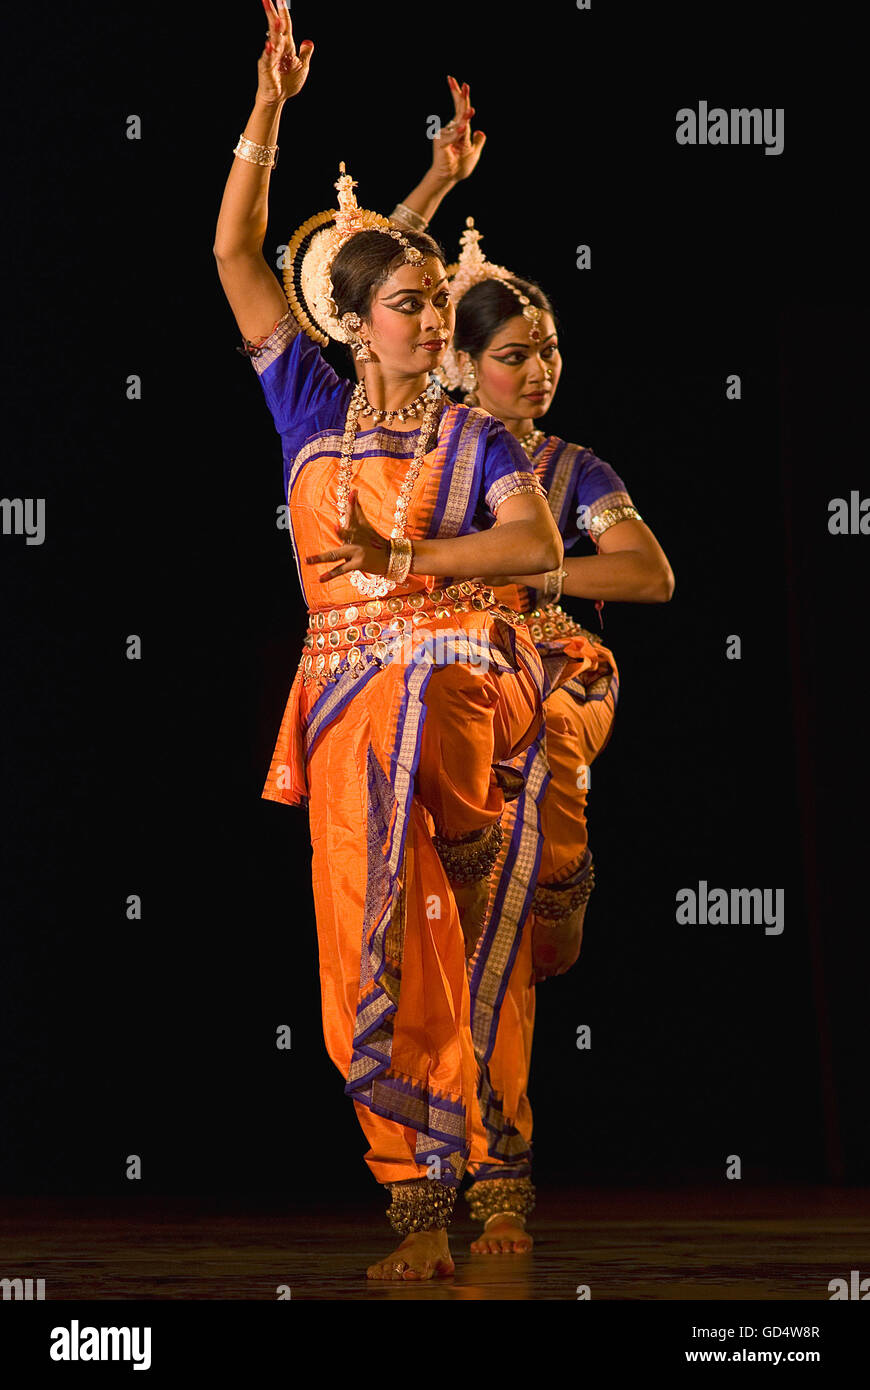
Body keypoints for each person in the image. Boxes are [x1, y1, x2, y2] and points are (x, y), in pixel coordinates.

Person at [213, 0, 608, 1279]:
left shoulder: (476, 435)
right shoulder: (305, 404)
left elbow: (539, 550)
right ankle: (426, 1203)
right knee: (381, 942)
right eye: (415, 304)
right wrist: (271, 109)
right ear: (358, 322)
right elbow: (234, 257)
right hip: (338, 707)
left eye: (443, 304)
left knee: (466, 927)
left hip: (449, 692)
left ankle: (498, 1172)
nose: (437, 321)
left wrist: (406, 563)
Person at [379, 212, 674, 1252]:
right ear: (458, 363)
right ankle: (422, 1189)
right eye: (514, 355)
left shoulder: (572, 468)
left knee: (503, 930)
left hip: (545, 683)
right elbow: (354, 302)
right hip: (440, 697)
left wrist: (522, 573)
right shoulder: (423, 456)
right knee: (428, 948)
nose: (540, 370)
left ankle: (499, 1177)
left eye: (549, 350)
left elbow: (646, 574)